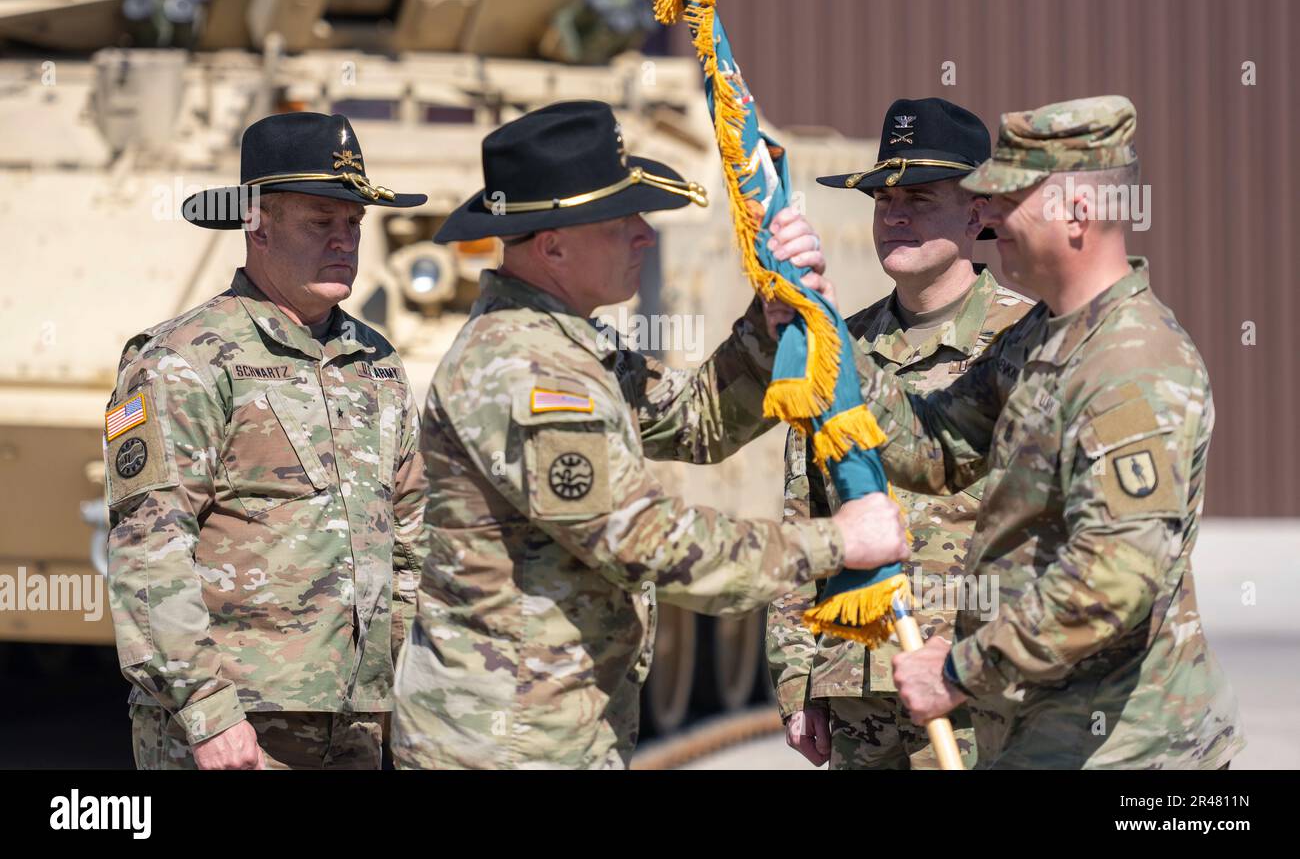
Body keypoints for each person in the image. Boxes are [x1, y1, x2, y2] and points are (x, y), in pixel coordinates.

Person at [390, 99, 911, 769]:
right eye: (620, 221)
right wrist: (837, 541)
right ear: (552, 245)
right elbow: (641, 541)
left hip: (543, 730)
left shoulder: (571, 347)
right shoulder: (527, 371)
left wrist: (771, 322)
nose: (645, 234)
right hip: (507, 741)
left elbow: (696, 422)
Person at [858, 96, 1243, 768]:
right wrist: (830, 353)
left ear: (1079, 213)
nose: (993, 217)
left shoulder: (1131, 364)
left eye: (1010, 198)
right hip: (1045, 734)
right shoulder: (1043, 339)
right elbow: (934, 447)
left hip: (1127, 749)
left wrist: (958, 671)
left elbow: (1113, 577)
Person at [105, 112, 432, 769]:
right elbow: (151, 555)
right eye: (321, 222)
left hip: (357, 727)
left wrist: (417, 695)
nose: (344, 240)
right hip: (236, 732)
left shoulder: (375, 362)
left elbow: (411, 547)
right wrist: (207, 714)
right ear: (257, 221)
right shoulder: (184, 361)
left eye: (353, 224)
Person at [766, 98, 1033, 769]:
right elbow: (803, 517)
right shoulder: (837, 350)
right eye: (884, 200)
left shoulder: (1027, 343)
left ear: (977, 212)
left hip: (975, 702)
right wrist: (796, 679)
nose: (896, 214)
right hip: (857, 698)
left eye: (919, 196)